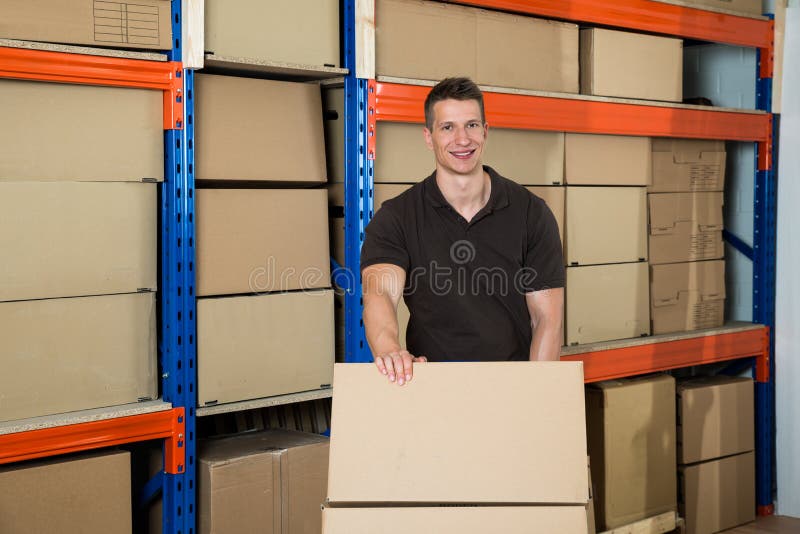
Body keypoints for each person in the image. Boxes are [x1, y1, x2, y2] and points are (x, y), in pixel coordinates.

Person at [360, 77, 565, 385]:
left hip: (510, 384)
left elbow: (546, 319)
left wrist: (534, 392)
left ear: (485, 130)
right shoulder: (397, 217)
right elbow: (380, 292)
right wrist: (390, 350)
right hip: (433, 386)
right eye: (447, 127)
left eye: (471, 125)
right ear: (428, 137)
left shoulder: (531, 214)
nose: (462, 139)